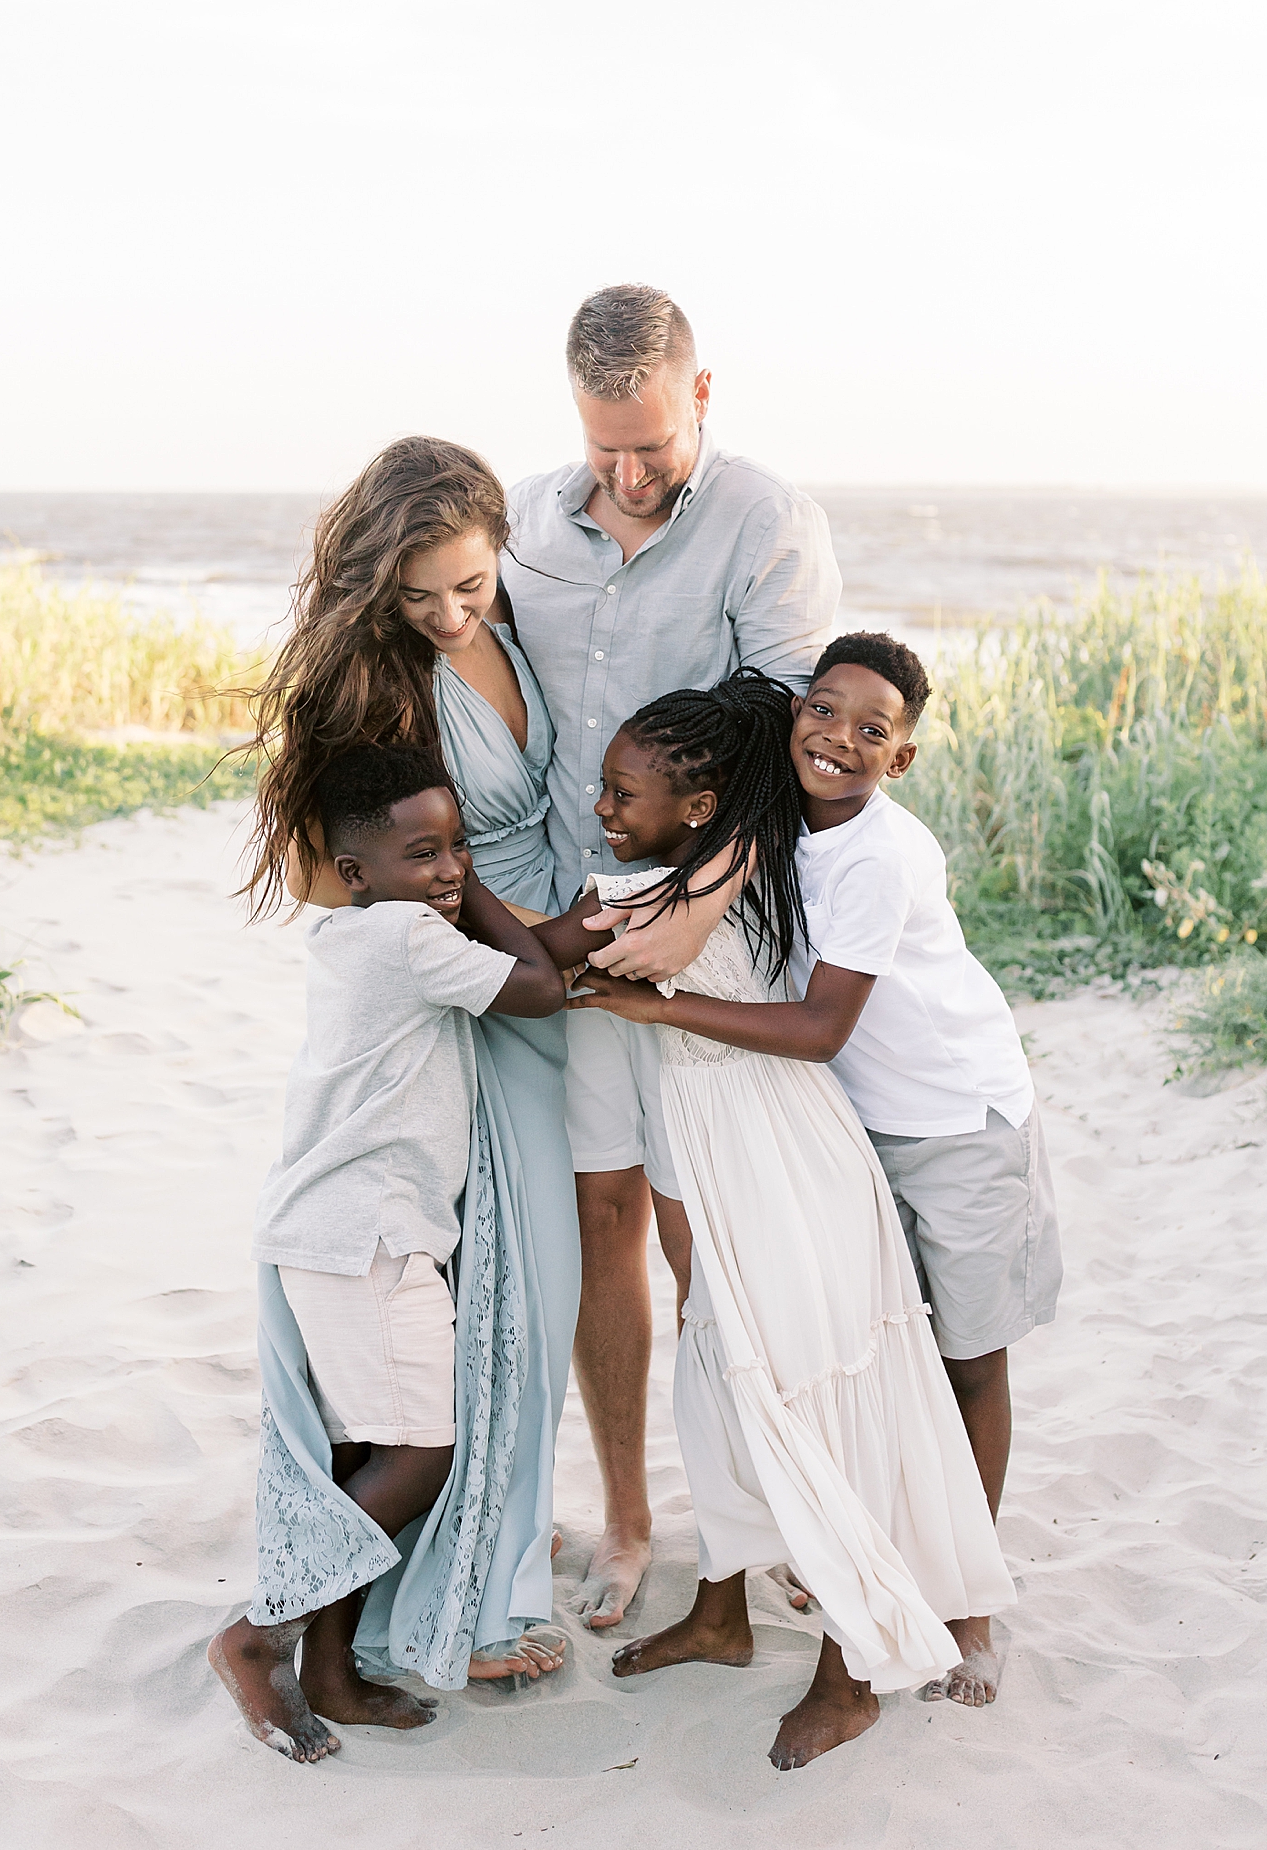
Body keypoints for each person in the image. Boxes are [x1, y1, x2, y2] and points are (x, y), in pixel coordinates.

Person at [533, 672, 1014, 1772]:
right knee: (718, 1375)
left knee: (805, 1384)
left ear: (697, 806)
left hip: (777, 1151)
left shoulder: (656, 897)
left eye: (621, 791)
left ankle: (849, 1676)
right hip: (710, 1148)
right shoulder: (730, 860)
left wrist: (427, 886)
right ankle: (720, 1613)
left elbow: (539, 962)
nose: (602, 809)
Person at [500, 283, 841, 1629]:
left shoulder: (768, 523)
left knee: (721, 1229)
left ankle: (773, 1514)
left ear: (702, 394)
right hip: (568, 925)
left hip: (709, 931)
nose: (629, 474)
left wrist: (672, 933)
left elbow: (794, 757)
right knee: (605, 1218)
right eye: (605, 448)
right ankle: (635, 1519)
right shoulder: (527, 518)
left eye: (653, 442)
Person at [241, 439, 581, 1686]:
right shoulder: (374, 687)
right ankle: (453, 1600)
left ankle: (494, 1546)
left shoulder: (522, 622)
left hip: (541, 959)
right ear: (375, 586)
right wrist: (457, 902)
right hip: (472, 990)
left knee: (538, 1297)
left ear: (502, 550)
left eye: (469, 586)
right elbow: (319, 875)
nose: (447, 615)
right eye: (417, 595)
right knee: (494, 1289)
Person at [210, 747, 566, 1763]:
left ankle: (330, 1673)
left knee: (367, 1455)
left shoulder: (350, 934)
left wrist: (455, 883)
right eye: (422, 853)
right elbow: (540, 985)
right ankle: (257, 1635)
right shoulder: (408, 936)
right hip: (368, 1242)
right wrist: (484, 893)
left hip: (343, 1235)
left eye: (458, 844)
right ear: (356, 871)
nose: (448, 868)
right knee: (421, 1456)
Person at [782, 630, 1061, 1705]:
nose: (838, 738)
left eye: (870, 730)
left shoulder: (882, 852)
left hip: (958, 1121)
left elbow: (816, 1026)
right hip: (861, 1124)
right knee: (882, 1356)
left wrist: (628, 994)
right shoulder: (783, 818)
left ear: (897, 760)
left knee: (967, 1359)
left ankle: (967, 1606)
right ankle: (881, 1556)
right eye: (822, 710)